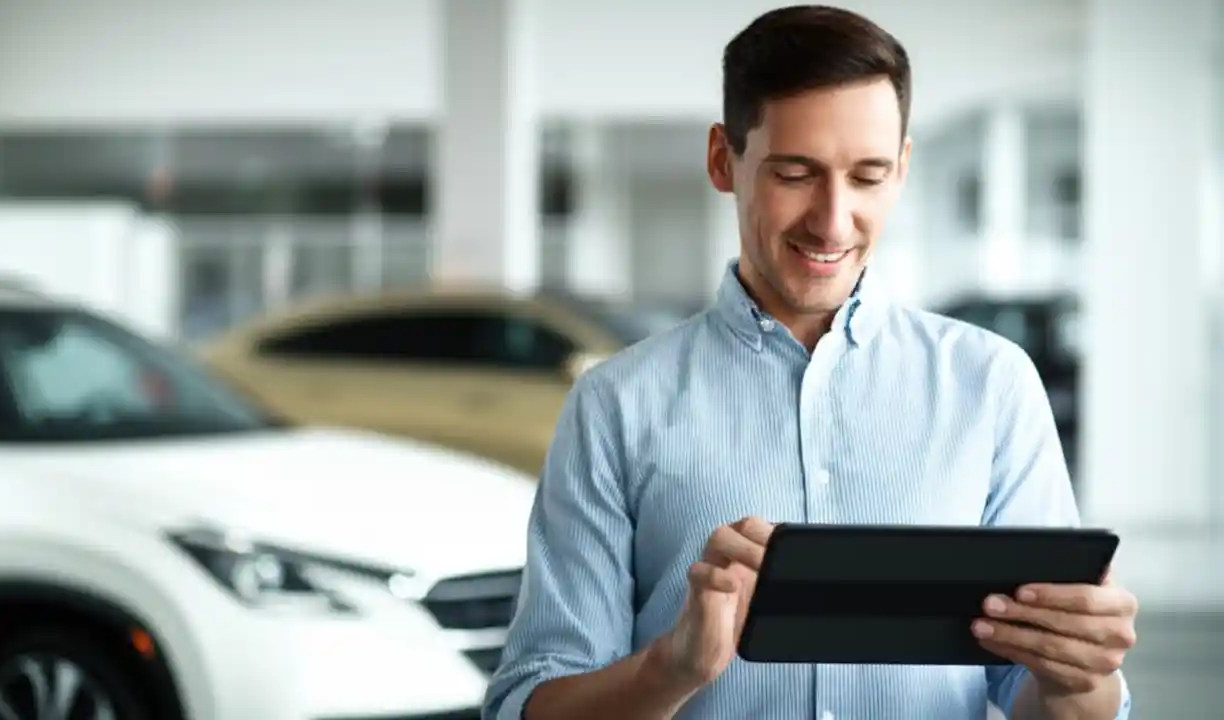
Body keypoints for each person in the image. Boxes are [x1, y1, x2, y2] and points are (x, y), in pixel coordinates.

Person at [483, 5, 1138, 719]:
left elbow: (1040, 699)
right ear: (721, 161)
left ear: (903, 168)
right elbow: (529, 704)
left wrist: (1081, 682)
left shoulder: (991, 385)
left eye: (867, 176)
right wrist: (669, 669)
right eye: (795, 173)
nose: (832, 220)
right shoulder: (615, 404)